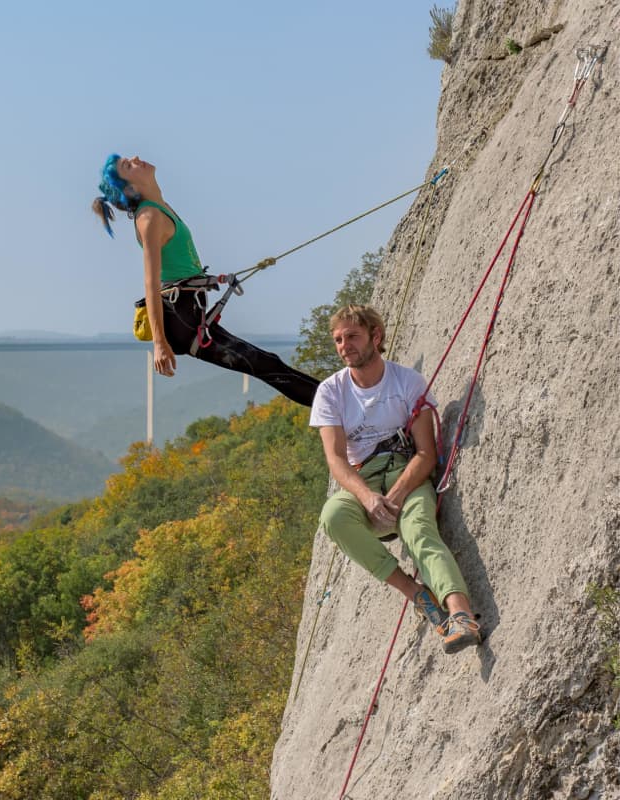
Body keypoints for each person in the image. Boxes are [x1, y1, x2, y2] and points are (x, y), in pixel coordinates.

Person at [310, 304, 481, 654]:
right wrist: (370, 498)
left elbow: (426, 453)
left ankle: (461, 615)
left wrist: (398, 494)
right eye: (338, 340)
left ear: (376, 336)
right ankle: (416, 594)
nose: (344, 346)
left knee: (419, 531)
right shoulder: (331, 392)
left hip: (407, 469)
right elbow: (337, 460)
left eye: (352, 337)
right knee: (333, 516)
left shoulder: (406, 381)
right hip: (366, 478)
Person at [92, 153, 318, 407]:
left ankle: (342, 406)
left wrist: (212, 279)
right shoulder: (149, 218)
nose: (134, 157)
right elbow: (151, 283)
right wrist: (159, 343)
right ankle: (342, 409)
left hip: (188, 311)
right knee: (265, 364)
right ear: (131, 188)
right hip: (179, 318)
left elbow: (179, 266)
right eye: (127, 165)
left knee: (266, 362)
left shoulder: (160, 208)